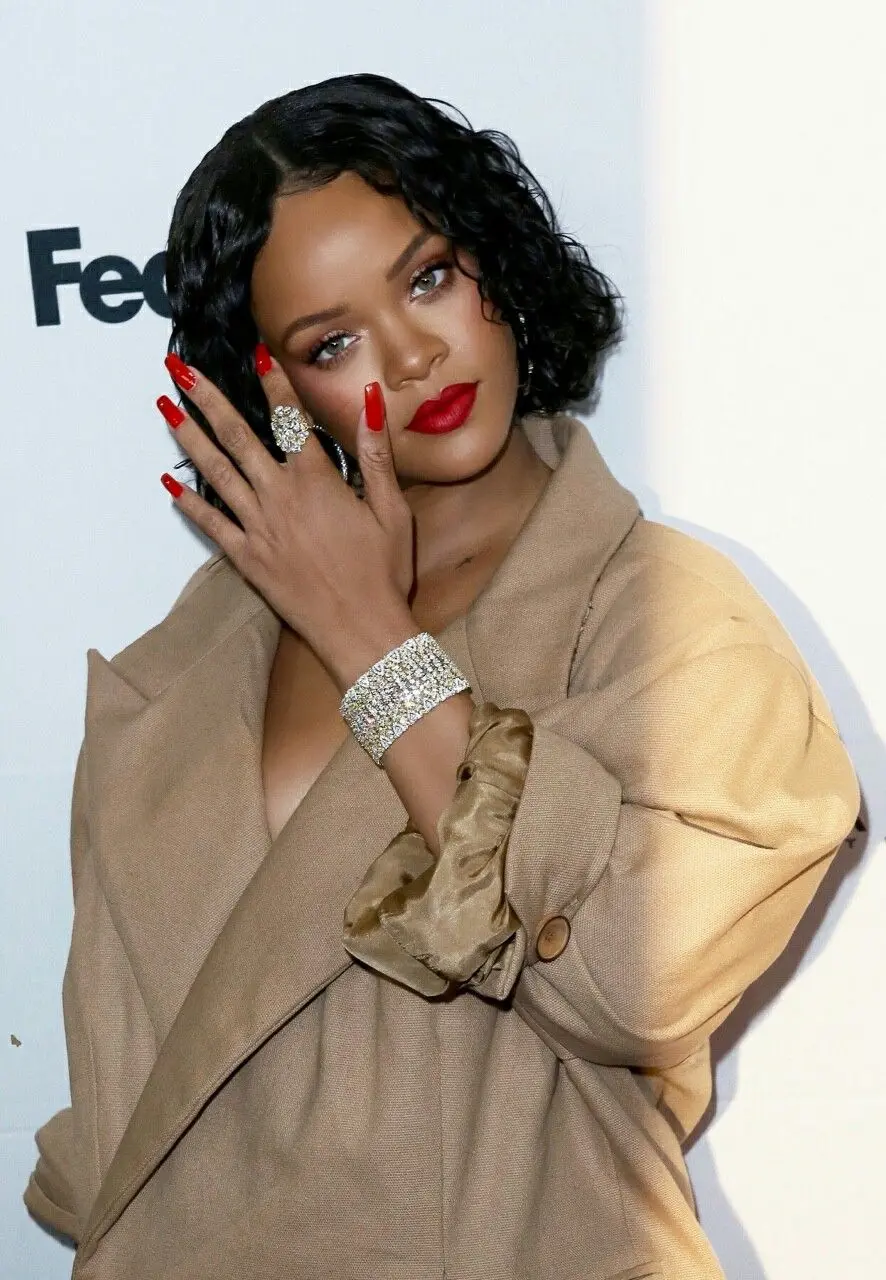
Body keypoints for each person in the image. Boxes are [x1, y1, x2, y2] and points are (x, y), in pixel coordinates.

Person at [24, 73, 859, 1280]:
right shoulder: (193, 657)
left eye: (426, 278)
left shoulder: (662, 618)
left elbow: (633, 980)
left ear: (494, 261)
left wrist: (374, 644)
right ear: (273, 392)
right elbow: (126, 1058)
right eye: (333, 341)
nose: (415, 353)